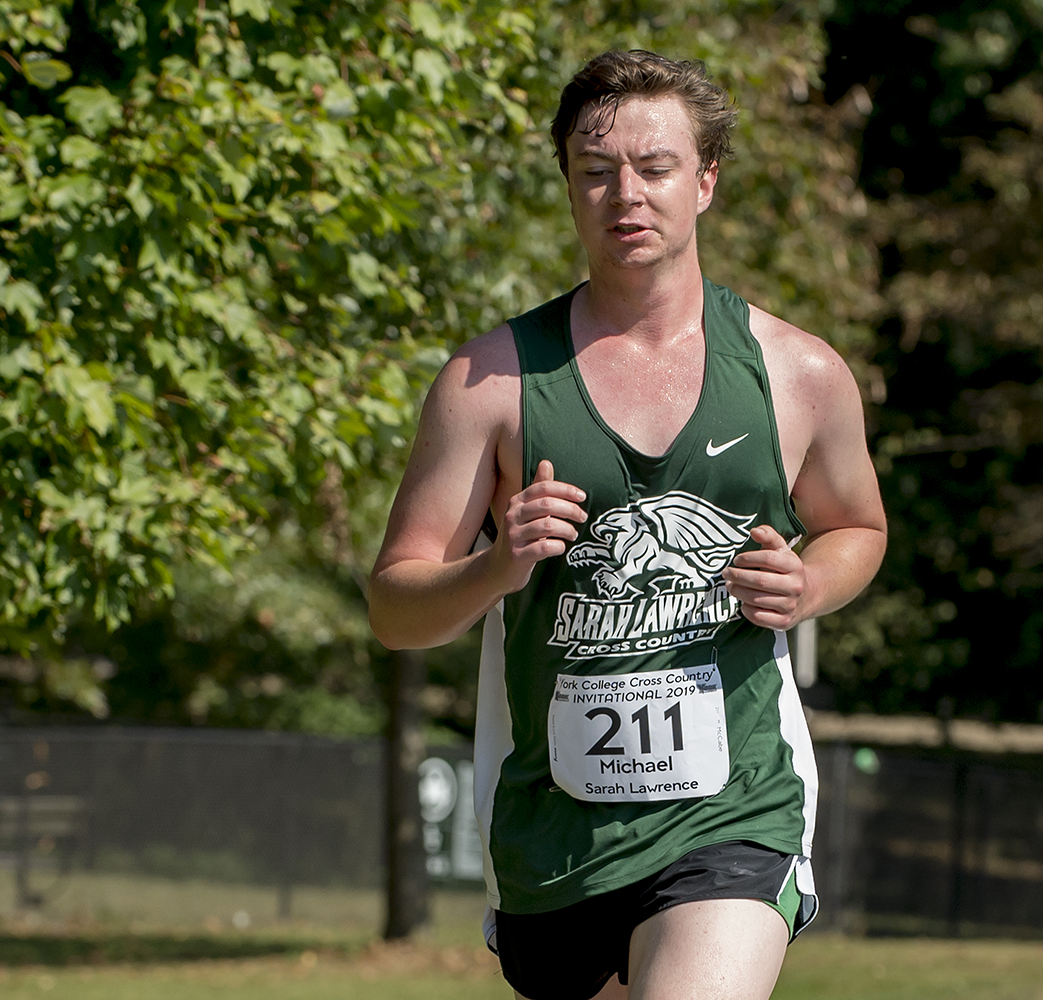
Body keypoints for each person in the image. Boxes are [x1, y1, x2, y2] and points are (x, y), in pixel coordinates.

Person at [369, 49, 887, 1000]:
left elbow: (858, 526)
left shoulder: (798, 374)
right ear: (568, 184)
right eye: (596, 171)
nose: (626, 194)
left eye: (655, 168)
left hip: (733, 812)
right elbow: (396, 608)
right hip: (555, 835)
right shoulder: (488, 385)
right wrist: (496, 567)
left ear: (706, 181)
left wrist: (809, 584)